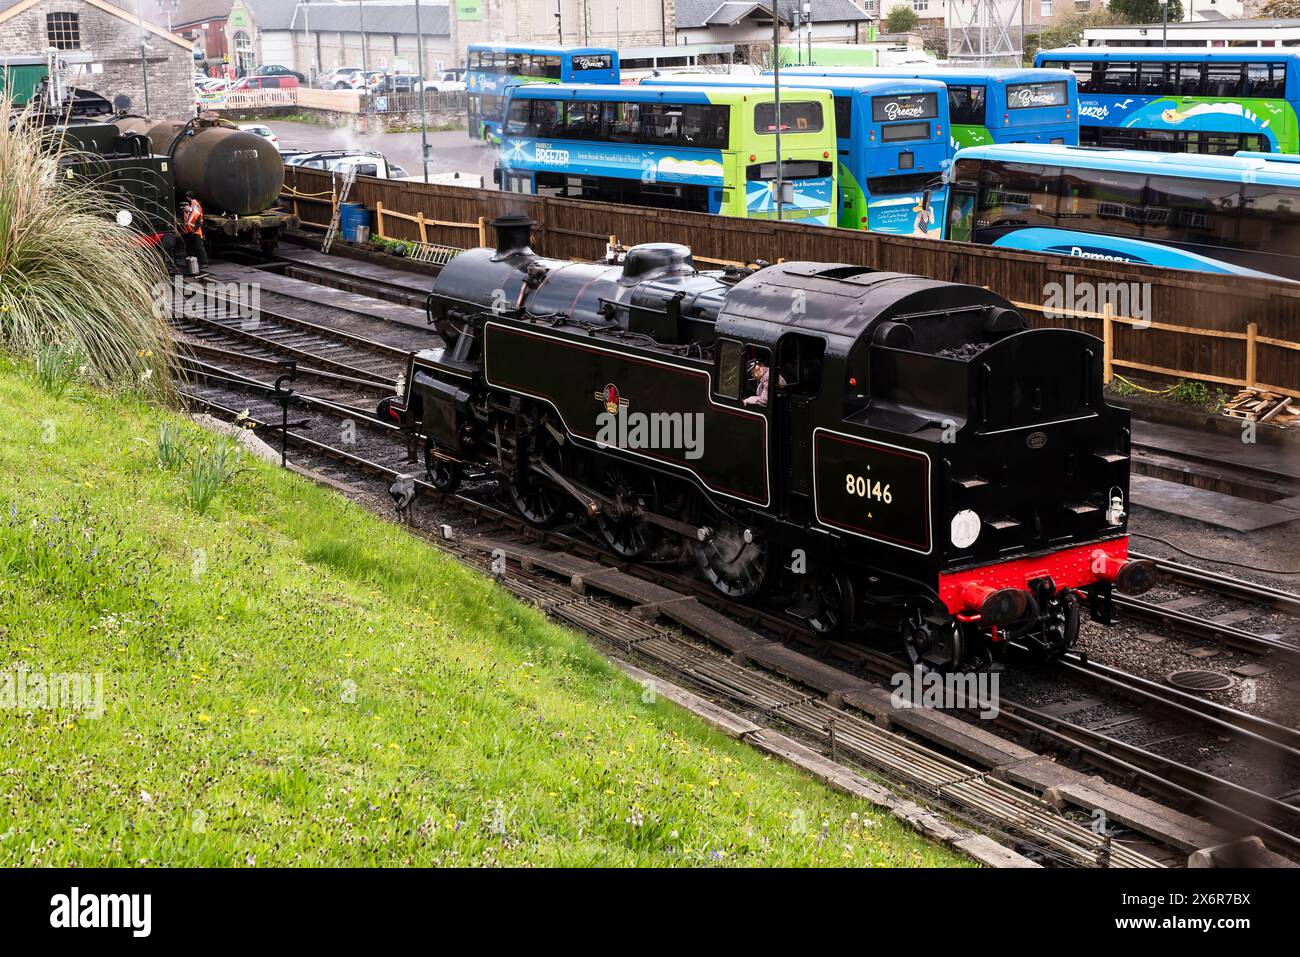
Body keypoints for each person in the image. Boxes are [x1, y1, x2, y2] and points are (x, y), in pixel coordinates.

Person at [179, 191, 207, 268]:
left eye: (184, 208)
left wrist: (194, 230)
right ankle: (191, 262)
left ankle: (204, 262)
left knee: (199, 247)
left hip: (196, 232)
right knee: (190, 248)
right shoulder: (185, 213)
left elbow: (198, 222)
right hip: (189, 232)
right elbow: (186, 222)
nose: (183, 210)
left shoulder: (194, 208)